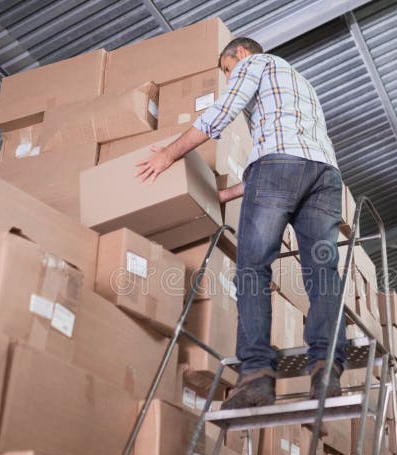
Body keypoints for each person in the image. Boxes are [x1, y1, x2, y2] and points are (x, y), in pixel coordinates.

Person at [135, 37, 348, 409]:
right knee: (322, 272)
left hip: (279, 168)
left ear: (242, 53)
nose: (228, 76)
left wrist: (169, 154)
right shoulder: (302, 85)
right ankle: (326, 367)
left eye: (227, 68)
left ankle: (256, 375)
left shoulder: (256, 64)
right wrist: (226, 194)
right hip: (325, 176)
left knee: (252, 269)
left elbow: (226, 111)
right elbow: (293, 159)